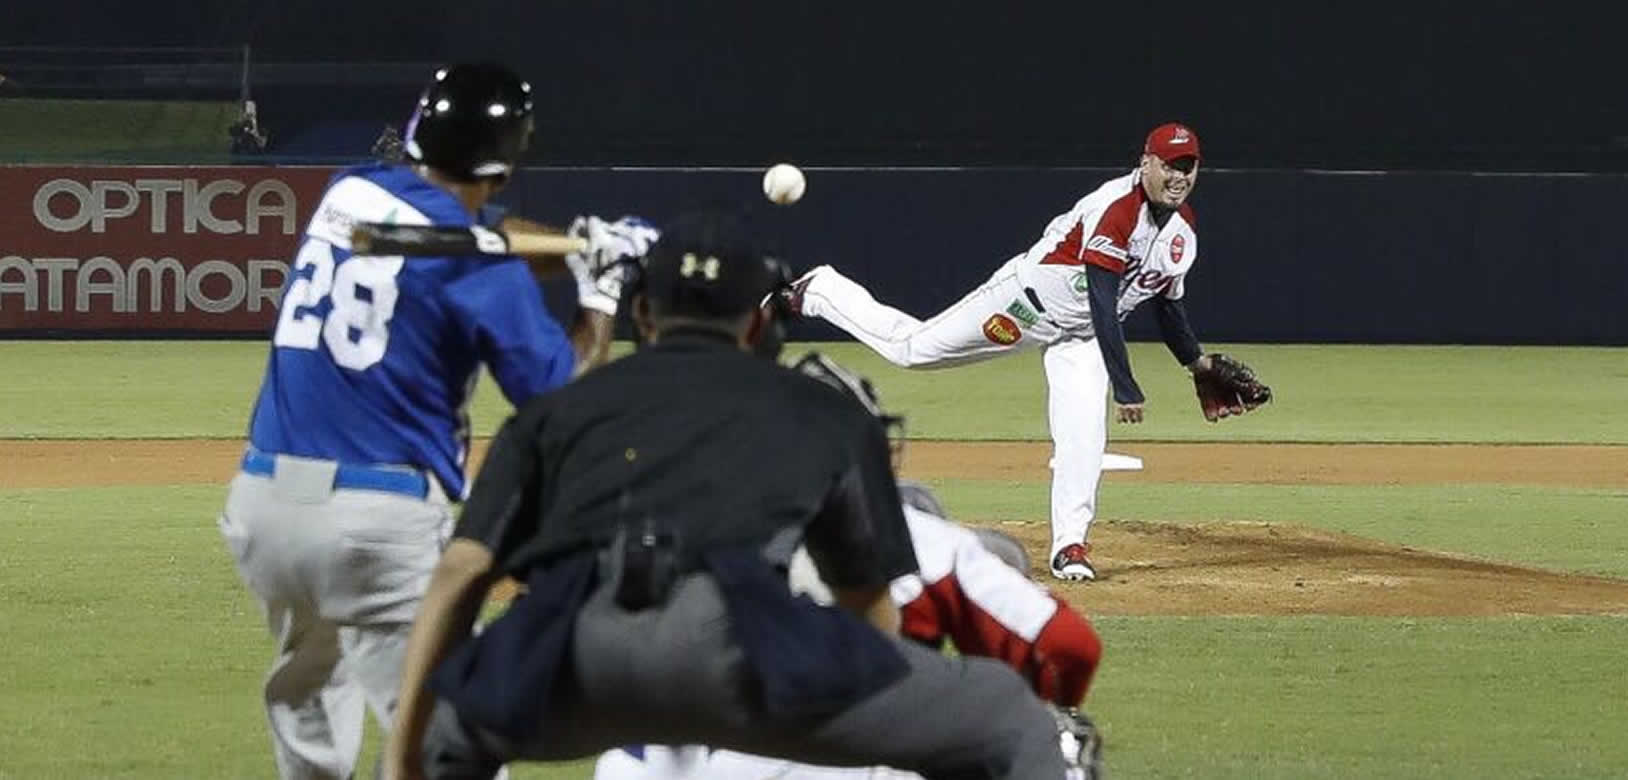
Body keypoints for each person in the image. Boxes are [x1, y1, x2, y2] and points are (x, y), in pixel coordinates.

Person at [381, 213, 1083, 780]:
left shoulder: (555, 410)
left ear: (646, 317)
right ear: (757, 323)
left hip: (574, 658)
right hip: (749, 655)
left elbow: (462, 573)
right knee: (1010, 721)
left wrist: (408, 751)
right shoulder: (822, 409)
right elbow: (867, 610)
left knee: (449, 744)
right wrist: (860, 715)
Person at [216, 62, 651, 780]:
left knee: (309, 690)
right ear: (507, 159)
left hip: (262, 509)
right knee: (452, 733)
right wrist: (599, 290)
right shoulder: (485, 274)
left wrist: (575, 245)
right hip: (374, 526)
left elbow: (463, 233)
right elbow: (559, 395)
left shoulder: (350, 195)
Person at [777, 122, 1269, 582]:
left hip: (1083, 335)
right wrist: (1126, 385)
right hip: (1022, 306)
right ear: (1145, 163)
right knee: (914, 350)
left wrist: (1196, 363)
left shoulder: (1182, 232)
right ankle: (822, 290)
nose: (1179, 176)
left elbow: (1166, 303)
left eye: (1188, 166)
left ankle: (1070, 546)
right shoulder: (1115, 209)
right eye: (1169, 164)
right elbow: (1101, 298)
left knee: (1083, 435)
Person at [594, 352, 1105, 780]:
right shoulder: (920, 537)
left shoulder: (676, 530)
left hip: (698, 758)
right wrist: (1026, 715)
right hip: (859, 756)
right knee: (1050, 743)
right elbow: (1068, 646)